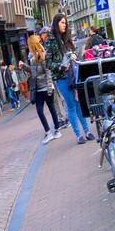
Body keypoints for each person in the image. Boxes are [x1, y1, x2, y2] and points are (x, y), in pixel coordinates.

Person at [45, 14, 92, 145]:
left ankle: (87, 131)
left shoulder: (67, 39)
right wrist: (60, 66)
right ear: (56, 24)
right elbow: (47, 63)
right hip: (62, 78)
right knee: (71, 105)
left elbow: (75, 54)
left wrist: (73, 55)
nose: (64, 25)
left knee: (78, 104)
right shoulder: (51, 41)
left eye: (65, 23)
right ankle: (78, 135)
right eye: (61, 23)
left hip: (73, 74)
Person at [26, 34, 62, 142]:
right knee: (39, 111)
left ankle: (56, 130)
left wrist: (50, 88)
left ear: (31, 45)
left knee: (52, 109)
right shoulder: (32, 59)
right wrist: (23, 66)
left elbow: (48, 72)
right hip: (38, 90)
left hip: (46, 88)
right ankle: (48, 132)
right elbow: (33, 72)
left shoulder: (43, 55)